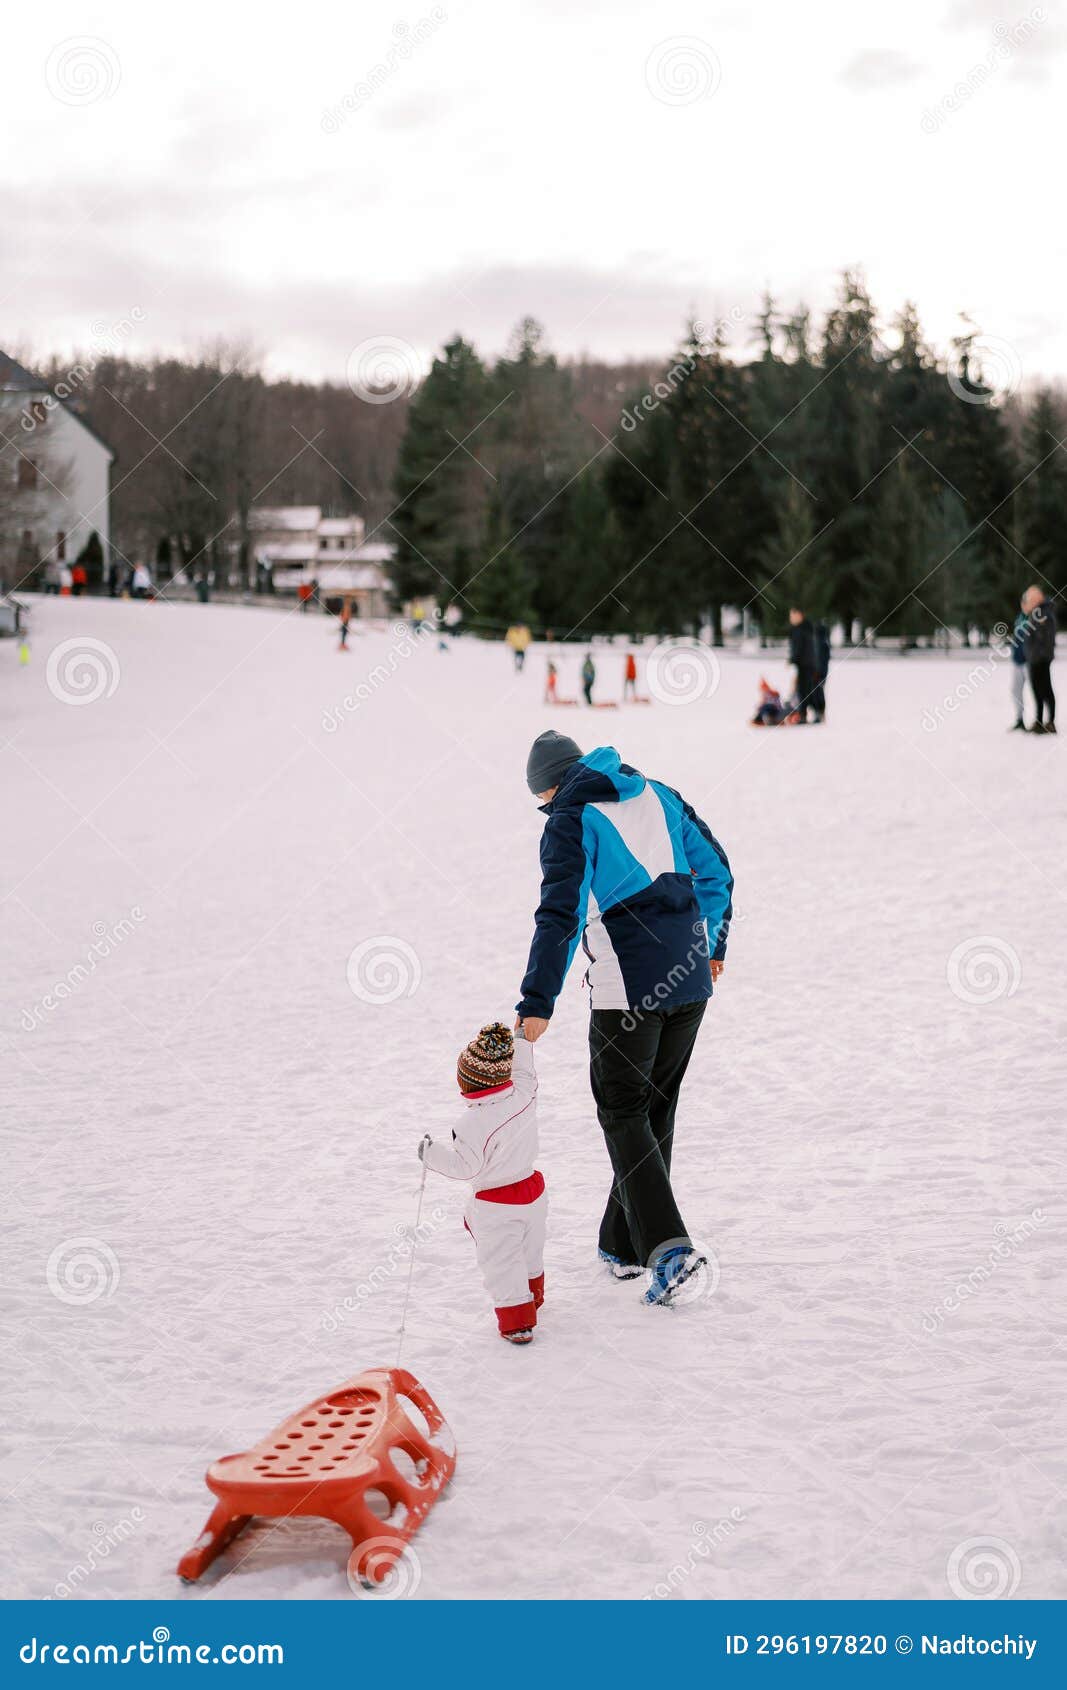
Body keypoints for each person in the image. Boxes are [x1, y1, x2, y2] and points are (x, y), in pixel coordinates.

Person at [515, 731, 733, 1308]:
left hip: (628, 990)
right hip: (689, 980)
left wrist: (538, 1001)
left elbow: (559, 916)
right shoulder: (659, 793)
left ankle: (668, 1249)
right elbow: (718, 874)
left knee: (622, 1109)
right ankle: (624, 1244)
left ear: (552, 786)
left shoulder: (569, 820)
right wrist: (712, 947)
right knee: (651, 1108)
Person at [419, 1023, 545, 1345]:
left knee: (502, 1259)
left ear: (469, 1084)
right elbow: (526, 1072)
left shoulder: (471, 1123)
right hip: (532, 1190)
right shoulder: (523, 1095)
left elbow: (465, 1167)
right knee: (530, 1248)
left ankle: (517, 1320)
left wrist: (431, 1154)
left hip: (496, 1202)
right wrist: (520, 1043)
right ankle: (533, 1294)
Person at [1022, 585, 1056, 734]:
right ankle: (1039, 721)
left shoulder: (1043, 614)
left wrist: (1037, 655)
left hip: (1040, 660)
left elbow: (1045, 639)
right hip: (1035, 659)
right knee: (1037, 690)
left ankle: (1049, 722)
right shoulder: (1036, 613)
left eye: (1029, 599)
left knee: (1045, 689)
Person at [787, 608, 818, 723]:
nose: (791, 618)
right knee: (807, 689)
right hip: (808, 664)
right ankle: (808, 714)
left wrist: (792, 659)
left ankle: (805, 715)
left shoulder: (800, 630)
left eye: (792, 615)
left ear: (799, 615)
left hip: (805, 664)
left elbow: (798, 649)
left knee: (804, 690)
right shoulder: (807, 628)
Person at [1009, 602, 1029, 731]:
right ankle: (1019, 719)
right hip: (1018, 661)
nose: (1025, 605)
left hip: (1030, 662)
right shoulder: (1020, 618)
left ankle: (1042, 721)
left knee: (1036, 691)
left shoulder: (1035, 618)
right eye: (1023, 602)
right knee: (1015, 691)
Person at [811, 620, 830, 722]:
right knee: (817, 692)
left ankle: (820, 713)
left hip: (819, 673)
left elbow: (821, 660)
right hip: (819, 672)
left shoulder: (820, 644)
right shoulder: (822, 644)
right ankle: (819, 713)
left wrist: (818, 672)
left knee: (818, 693)